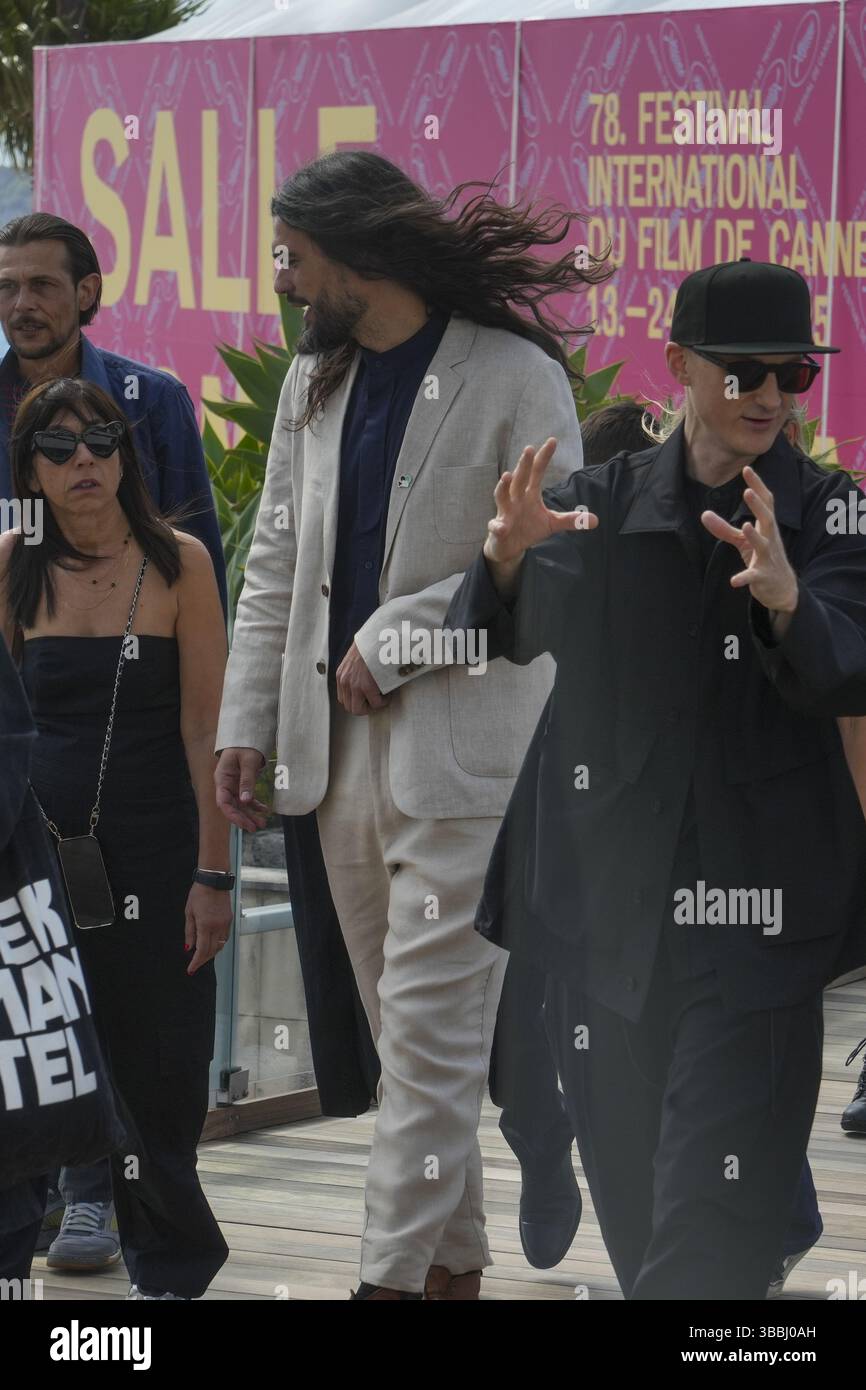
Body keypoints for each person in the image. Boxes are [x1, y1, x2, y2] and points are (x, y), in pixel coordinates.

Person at [214, 149, 607, 1299]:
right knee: (413, 1054)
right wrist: (247, 718)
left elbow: (554, 553)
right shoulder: (312, 382)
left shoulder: (514, 373)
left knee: (428, 1049)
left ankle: (380, 1284)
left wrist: (396, 638)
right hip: (332, 768)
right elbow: (276, 561)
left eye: (294, 256)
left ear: (358, 255)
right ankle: (451, 1274)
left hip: (467, 764)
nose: (283, 279)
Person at [446, 258, 866, 1298]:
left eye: (792, 375)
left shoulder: (829, 513)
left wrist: (782, 602)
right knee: (644, 1236)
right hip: (604, 933)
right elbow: (492, 636)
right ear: (679, 364)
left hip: (756, 937)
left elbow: (845, 662)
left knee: (704, 1239)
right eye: (745, 371)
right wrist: (499, 561)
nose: (769, 394)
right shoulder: (593, 504)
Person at [0, 211, 228, 1271]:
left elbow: (203, 711)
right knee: (40, 1048)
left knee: (156, 1051)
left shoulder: (159, 423)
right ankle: (47, 1206)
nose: (81, 457)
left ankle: (146, 1240)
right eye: (55, 445)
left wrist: (214, 868)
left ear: (86, 291)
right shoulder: (13, 561)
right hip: (33, 834)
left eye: (42, 284)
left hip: (147, 821)